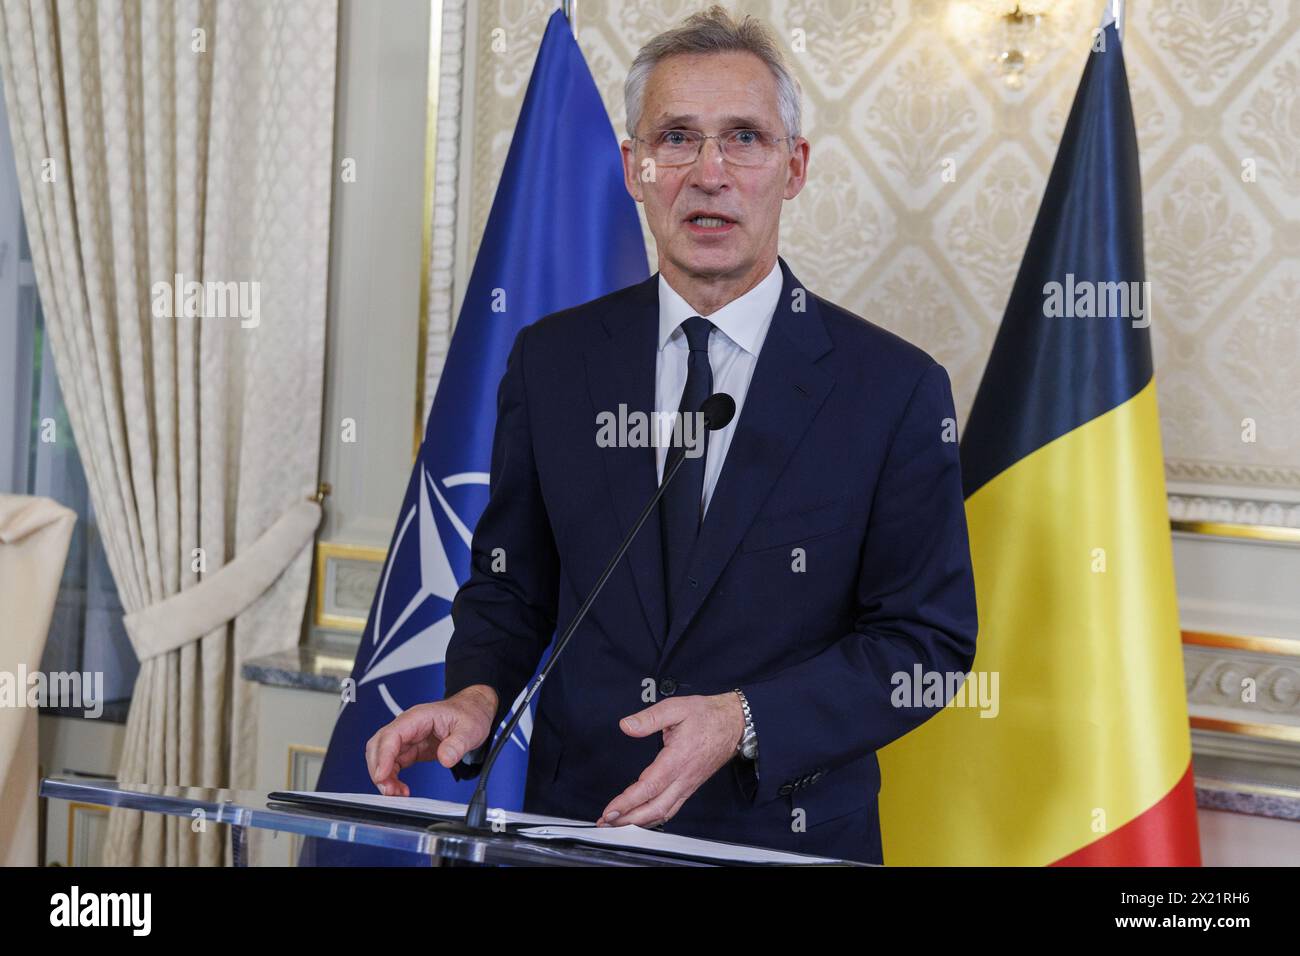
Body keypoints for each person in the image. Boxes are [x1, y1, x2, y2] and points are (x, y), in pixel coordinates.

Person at [365, 5, 977, 865]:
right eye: (677, 137)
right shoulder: (554, 362)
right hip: (578, 832)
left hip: (781, 838)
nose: (709, 172)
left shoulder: (895, 389)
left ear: (794, 167)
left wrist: (744, 721)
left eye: (745, 139)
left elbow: (927, 644)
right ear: (633, 168)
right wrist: (474, 695)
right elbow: (511, 589)